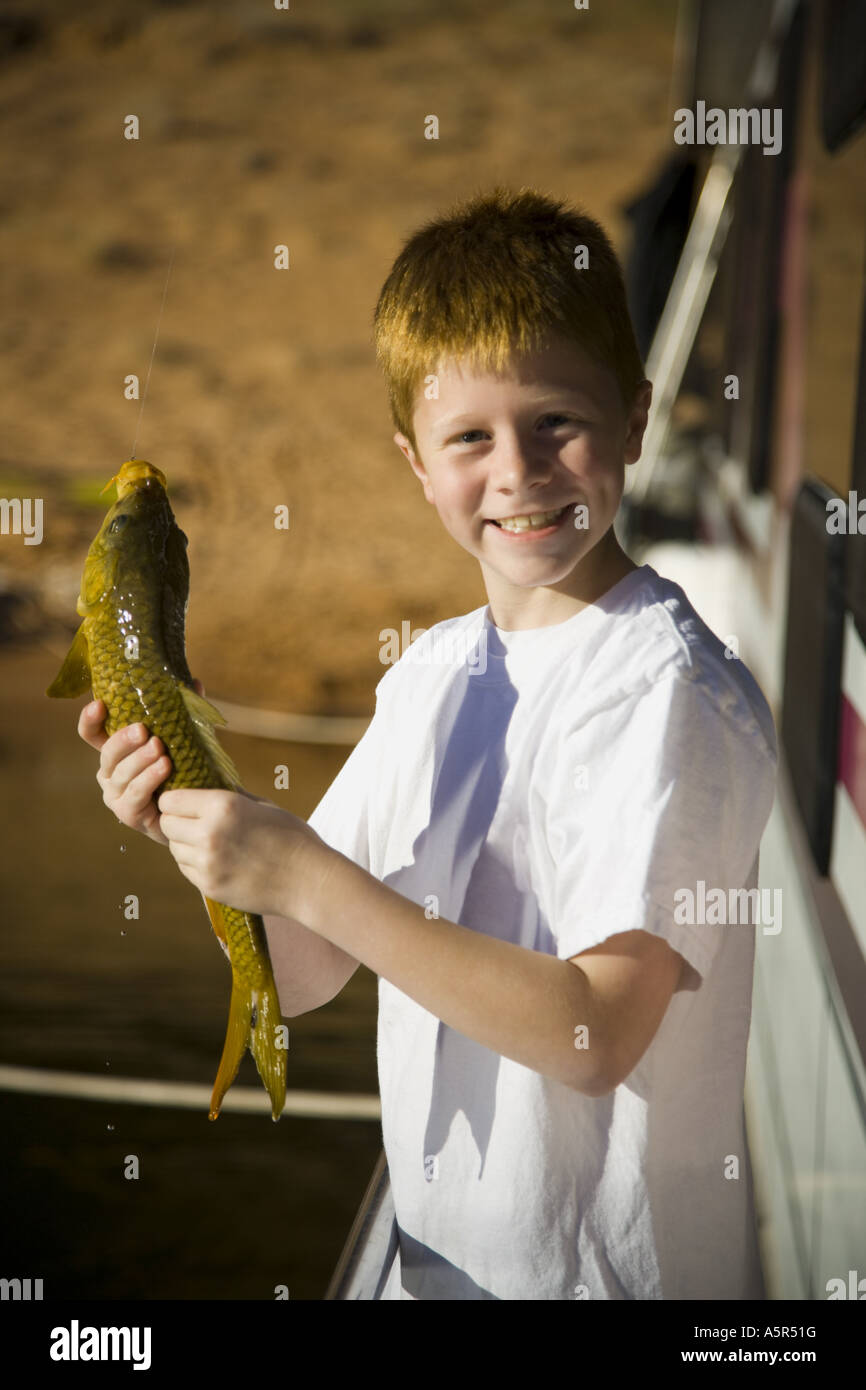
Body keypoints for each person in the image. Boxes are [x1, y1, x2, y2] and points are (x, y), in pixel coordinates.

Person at [78, 186, 777, 1300]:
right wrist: (188, 818)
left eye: (556, 420)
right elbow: (300, 972)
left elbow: (594, 1033)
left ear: (635, 420)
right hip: (432, 1267)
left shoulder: (669, 693)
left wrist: (297, 864)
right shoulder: (429, 676)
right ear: (414, 463)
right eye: (468, 437)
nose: (517, 471)